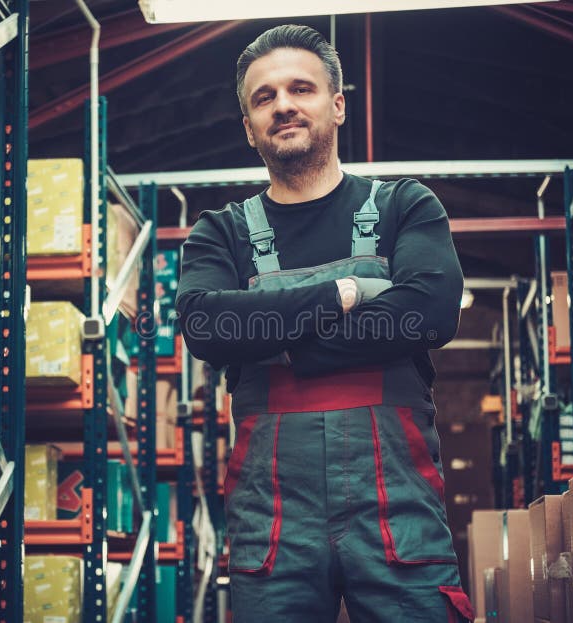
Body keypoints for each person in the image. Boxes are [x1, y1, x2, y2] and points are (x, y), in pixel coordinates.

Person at [175, 24, 473, 623]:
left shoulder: (405, 206)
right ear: (249, 127)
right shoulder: (221, 232)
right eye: (264, 97)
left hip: (396, 513)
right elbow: (207, 326)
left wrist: (285, 345)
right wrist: (347, 293)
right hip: (274, 522)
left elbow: (427, 313)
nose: (283, 104)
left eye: (300, 88)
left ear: (336, 104)